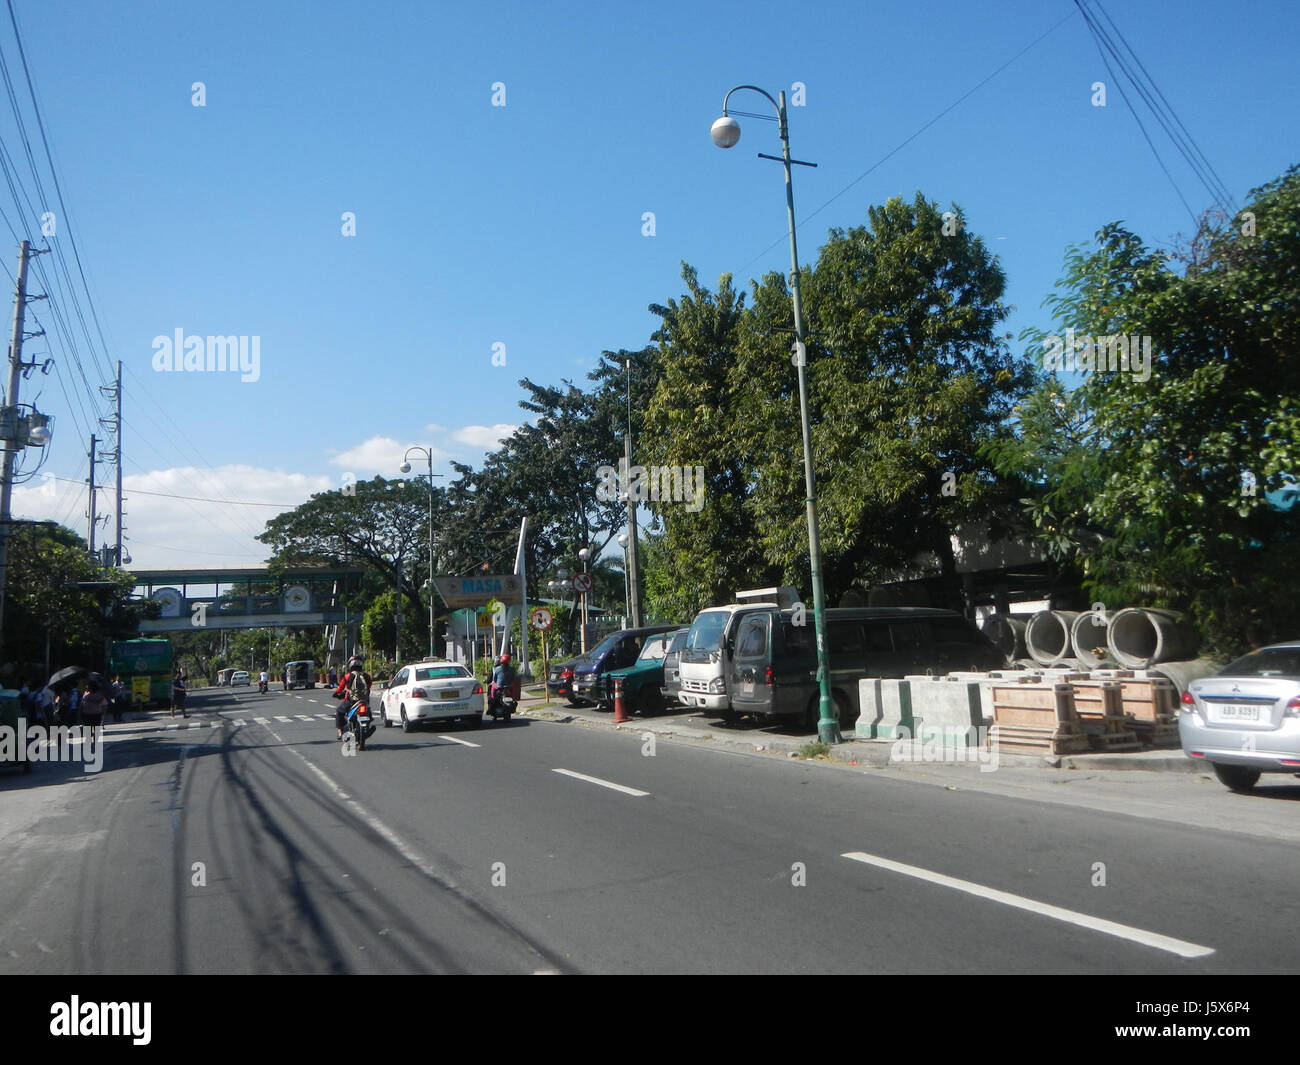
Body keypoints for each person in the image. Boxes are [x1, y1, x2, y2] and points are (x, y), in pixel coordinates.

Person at [333, 656, 371, 740]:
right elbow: (368, 687)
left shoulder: (347, 676)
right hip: (364, 701)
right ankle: (367, 725)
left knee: (339, 712)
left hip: (351, 702)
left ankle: (340, 732)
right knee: (369, 713)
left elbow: (340, 688)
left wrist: (336, 693)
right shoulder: (367, 676)